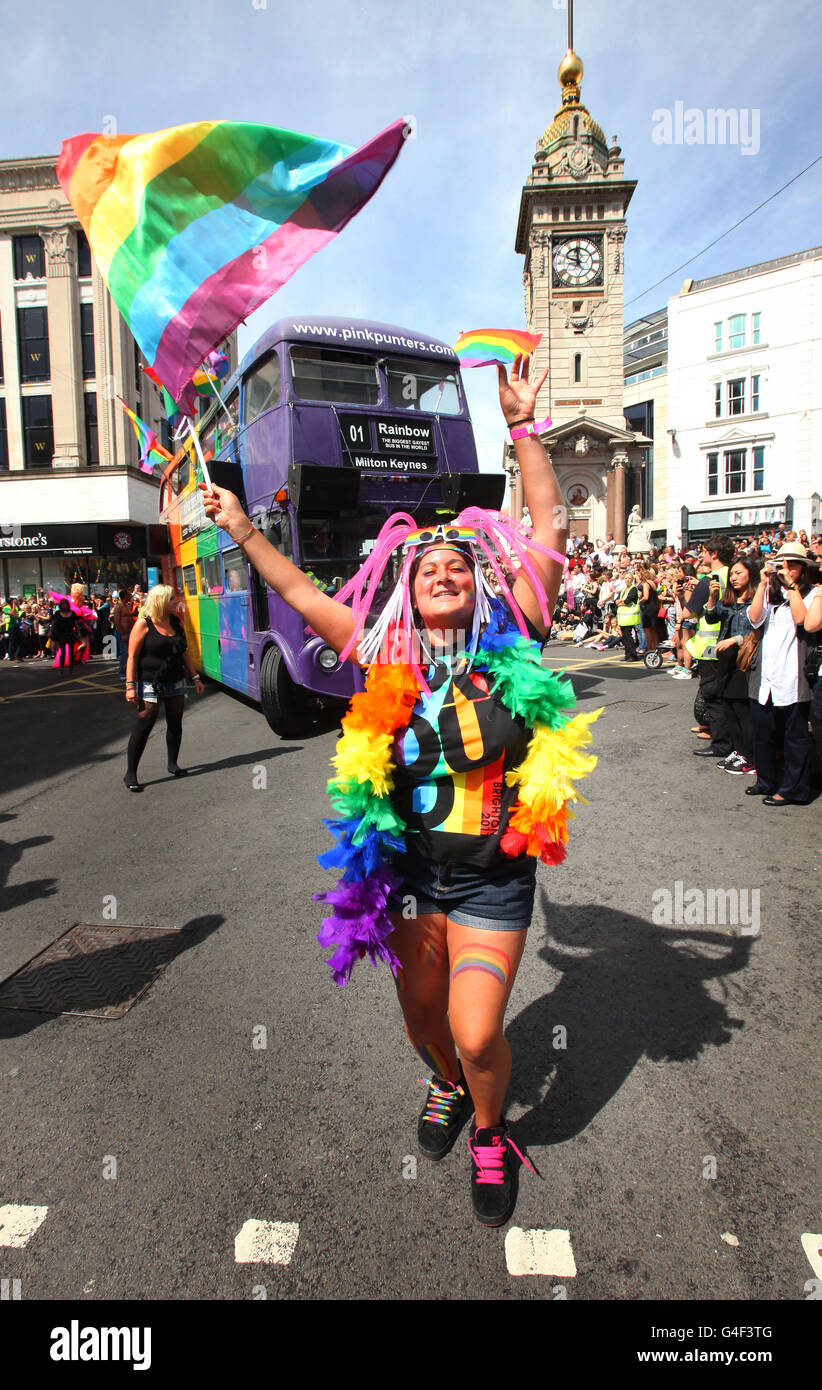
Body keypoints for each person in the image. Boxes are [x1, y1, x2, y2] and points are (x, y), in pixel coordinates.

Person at [199, 354, 599, 1227]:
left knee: (478, 1027)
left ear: (481, 581)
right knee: (425, 1025)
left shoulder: (519, 635)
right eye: (427, 571)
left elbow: (548, 523)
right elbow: (301, 592)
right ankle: (445, 1086)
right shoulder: (390, 658)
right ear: (407, 596)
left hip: (494, 879)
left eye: (458, 564)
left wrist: (523, 428)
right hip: (415, 883)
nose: (444, 573)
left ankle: (490, 1133)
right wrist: (242, 529)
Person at [746, 543, 819, 805]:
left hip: (793, 674)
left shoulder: (811, 594)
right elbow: (755, 617)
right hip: (766, 673)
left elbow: (803, 620)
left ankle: (794, 789)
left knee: (794, 737)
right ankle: (765, 780)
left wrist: (791, 587)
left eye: (793, 565)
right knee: (763, 732)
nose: (787, 570)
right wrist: (765, 583)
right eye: (782, 564)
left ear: (804, 568)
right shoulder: (771, 591)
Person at [124, 586, 204, 791]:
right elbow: (132, 657)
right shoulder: (144, 624)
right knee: (145, 724)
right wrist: (130, 686)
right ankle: (130, 773)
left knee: (175, 722)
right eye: (171, 598)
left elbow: (183, 651)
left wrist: (195, 677)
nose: (174, 600)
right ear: (160, 601)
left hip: (175, 680)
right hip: (150, 682)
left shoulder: (176, 622)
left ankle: (172, 764)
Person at [705, 557, 759, 775]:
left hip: (745, 661)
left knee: (742, 710)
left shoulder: (756, 601)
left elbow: (756, 630)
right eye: (733, 574)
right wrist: (711, 596)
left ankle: (751, 756)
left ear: (751, 574)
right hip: (726, 660)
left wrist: (734, 639)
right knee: (729, 708)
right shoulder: (730, 600)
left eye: (739, 573)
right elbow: (710, 617)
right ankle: (739, 750)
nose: (734, 577)